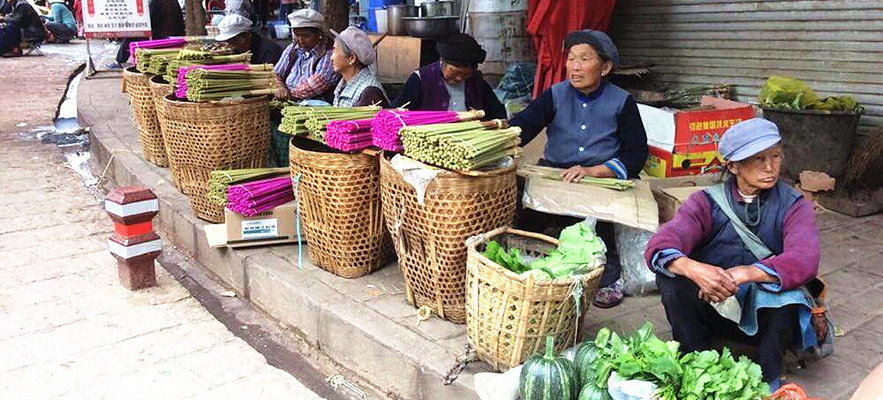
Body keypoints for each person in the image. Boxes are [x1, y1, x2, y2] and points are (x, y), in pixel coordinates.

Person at [644, 118, 822, 390]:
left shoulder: (793, 205)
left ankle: (767, 376)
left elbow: (804, 258)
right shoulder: (705, 203)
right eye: (757, 159)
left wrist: (747, 273)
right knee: (671, 278)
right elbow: (662, 243)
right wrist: (694, 269)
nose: (769, 167)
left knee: (791, 297)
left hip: (764, 316)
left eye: (775, 156)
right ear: (733, 165)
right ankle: (695, 356)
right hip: (715, 306)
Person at [508, 29, 648, 308]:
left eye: (584, 59)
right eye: (571, 58)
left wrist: (597, 171)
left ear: (605, 67)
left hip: (599, 180)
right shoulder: (556, 95)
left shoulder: (621, 102)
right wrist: (501, 135)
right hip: (555, 174)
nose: (574, 66)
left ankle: (608, 280)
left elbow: (636, 154)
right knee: (523, 225)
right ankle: (517, 272)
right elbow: (524, 126)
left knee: (600, 230)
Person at [268, 9, 338, 167]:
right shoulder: (293, 49)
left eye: (305, 35)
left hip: (312, 112)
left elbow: (318, 84)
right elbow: (275, 74)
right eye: (296, 35)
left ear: (319, 34)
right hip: (288, 105)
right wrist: (278, 86)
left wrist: (288, 94)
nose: (300, 40)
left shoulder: (328, 53)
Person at [390, 33, 506, 120]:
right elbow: (396, 112)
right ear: (442, 62)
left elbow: (497, 112)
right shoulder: (420, 79)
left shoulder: (476, 81)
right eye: (454, 72)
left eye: (466, 74)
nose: (459, 78)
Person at [110, 0, 184, 68]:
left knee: (136, 34)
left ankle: (120, 60)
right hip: (168, 30)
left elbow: (154, 18)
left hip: (163, 30)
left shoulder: (159, 3)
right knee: (139, 35)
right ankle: (122, 59)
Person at [329, 26, 388, 108]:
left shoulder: (370, 93)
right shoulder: (344, 83)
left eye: (335, 50)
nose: (331, 57)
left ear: (351, 58)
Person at [215, 14, 281, 65]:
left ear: (248, 35)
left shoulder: (269, 51)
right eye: (228, 42)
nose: (232, 45)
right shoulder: (236, 51)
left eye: (235, 41)